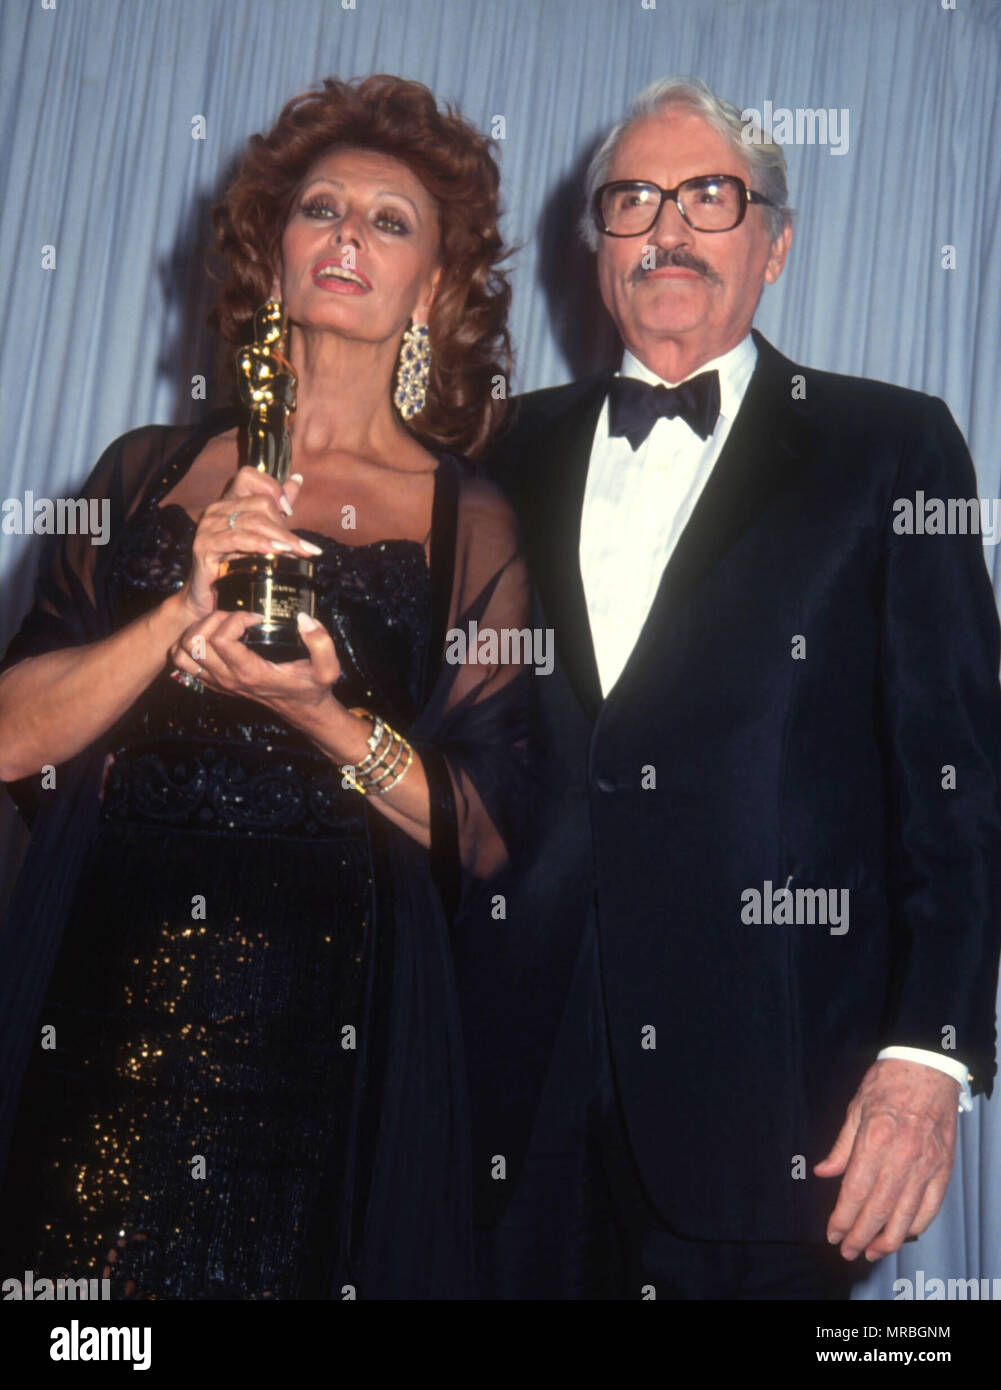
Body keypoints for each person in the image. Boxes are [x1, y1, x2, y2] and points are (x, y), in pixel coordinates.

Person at [0, 73, 535, 1300]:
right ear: (272, 251)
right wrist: (177, 612)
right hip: (98, 996)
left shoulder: (476, 522)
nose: (347, 236)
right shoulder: (146, 472)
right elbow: (11, 738)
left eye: (389, 221)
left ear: (434, 288)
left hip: (330, 1034)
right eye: (320, 209)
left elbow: (496, 830)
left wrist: (321, 717)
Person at [484, 76, 1001, 1299]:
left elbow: (959, 784)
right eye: (632, 200)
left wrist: (927, 1058)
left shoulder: (892, 445)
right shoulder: (492, 450)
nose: (666, 228)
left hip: (780, 1114)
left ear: (773, 243)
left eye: (708, 196)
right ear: (595, 246)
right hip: (506, 1106)